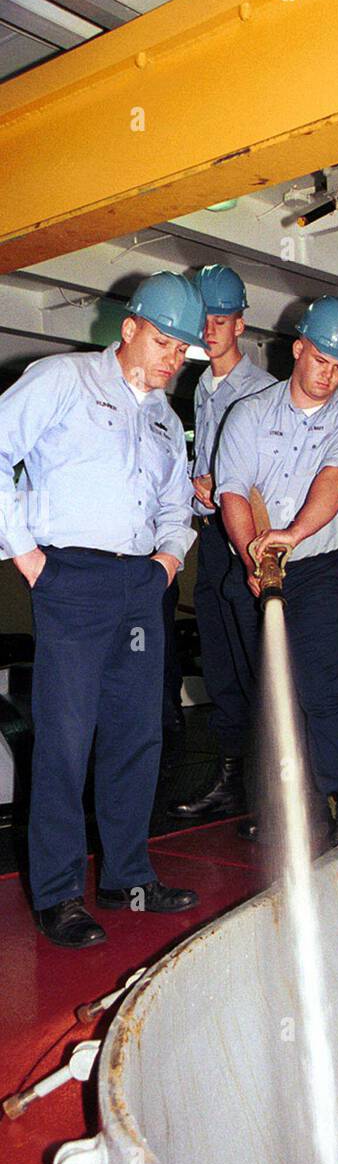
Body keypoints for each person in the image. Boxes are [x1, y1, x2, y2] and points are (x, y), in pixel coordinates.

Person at [0, 273, 204, 949]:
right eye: (163, 340)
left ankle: (126, 876)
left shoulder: (164, 420)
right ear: (129, 329)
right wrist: (27, 554)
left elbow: (177, 508)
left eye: (184, 348)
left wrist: (167, 563)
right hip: (72, 578)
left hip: (140, 586)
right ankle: (57, 893)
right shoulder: (62, 379)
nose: (174, 357)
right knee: (64, 740)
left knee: (136, 735)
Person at [215, 296, 338, 846]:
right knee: (269, 692)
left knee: (319, 687)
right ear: (297, 348)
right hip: (255, 566)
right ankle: (285, 799)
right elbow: (232, 492)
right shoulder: (249, 414)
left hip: (318, 568)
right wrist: (251, 555)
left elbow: (334, 480)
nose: (328, 376)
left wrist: (290, 537)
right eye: (319, 361)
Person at [169, 265, 274, 822]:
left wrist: (229, 486)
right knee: (221, 666)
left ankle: (272, 786)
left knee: (259, 663)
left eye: (219, 320)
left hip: (250, 541)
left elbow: (277, 477)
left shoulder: (261, 392)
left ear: (240, 324)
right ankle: (233, 777)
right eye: (202, 321)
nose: (208, 330)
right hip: (212, 543)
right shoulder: (202, 388)